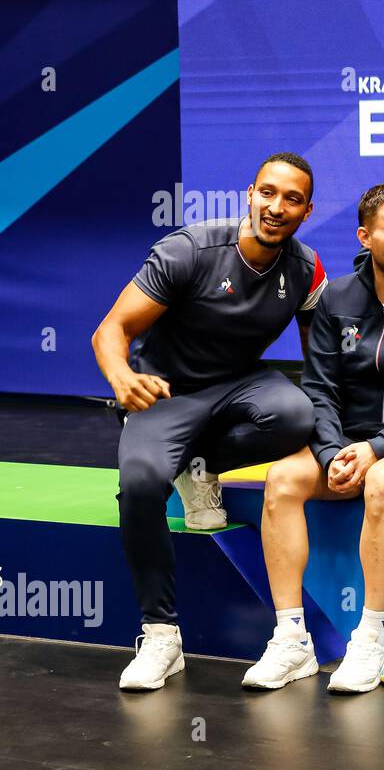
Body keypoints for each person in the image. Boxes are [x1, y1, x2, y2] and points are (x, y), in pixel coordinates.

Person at [91, 152, 327, 691]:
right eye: (268, 192)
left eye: (292, 199)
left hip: (242, 382)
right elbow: (111, 329)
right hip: (166, 390)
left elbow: (320, 363)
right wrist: (123, 379)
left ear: (307, 211)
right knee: (142, 485)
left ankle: (198, 465)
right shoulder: (189, 251)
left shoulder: (306, 268)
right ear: (250, 193)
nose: (277, 207)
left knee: (297, 413)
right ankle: (160, 636)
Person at [241, 182, 384, 694]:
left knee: (383, 482)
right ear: (365, 237)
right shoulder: (337, 299)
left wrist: (378, 449)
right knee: (282, 478)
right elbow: (320, 387)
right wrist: (330, 453)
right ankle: (291, 639)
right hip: (347, 442)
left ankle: (369, 639)